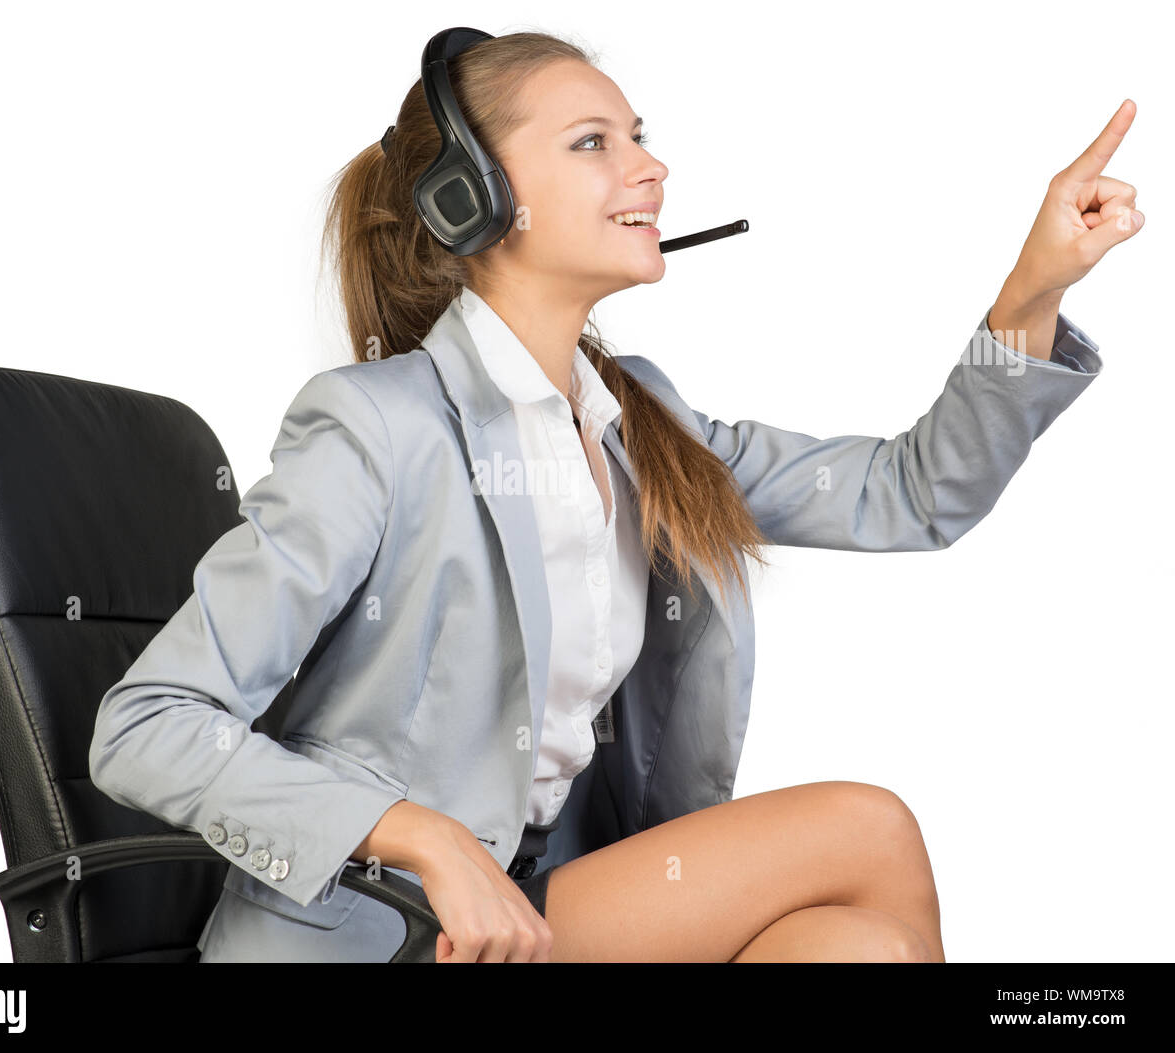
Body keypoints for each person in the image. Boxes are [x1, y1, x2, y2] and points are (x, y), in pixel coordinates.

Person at [89, 30, 1140, 962]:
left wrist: (1032, 290)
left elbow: (914, 494)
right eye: (594, 143)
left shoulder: (641, 430)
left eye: (638, 134)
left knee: (853, 946)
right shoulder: (374, 428)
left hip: (543, 907)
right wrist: (423, 835)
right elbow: (145, 725)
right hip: (383, 928)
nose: (652, 166)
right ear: (476, 198)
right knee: (869, 828)